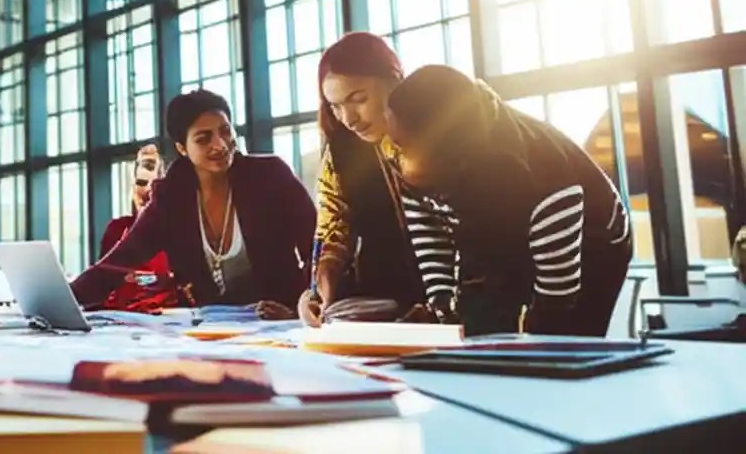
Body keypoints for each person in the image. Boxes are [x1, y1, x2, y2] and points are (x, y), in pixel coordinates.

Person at [385, 65, 633, 336]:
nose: (392, 155)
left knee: (562, 343)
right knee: (478, 324)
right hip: (499, 213)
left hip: (593, 242)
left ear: (442, 146)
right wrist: (443, 307)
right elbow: (431, 227)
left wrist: (535, 344)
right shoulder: (418, 165)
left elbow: (556, 297)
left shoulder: (543, 176)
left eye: (401, 146)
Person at [70, 90, 315, 318]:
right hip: (210, 332)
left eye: (225, 131)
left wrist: (302, 305)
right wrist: (66, 299)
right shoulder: (171, 199)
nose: (219, 144)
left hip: (284, 321)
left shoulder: (271, 176)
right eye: (203, 138)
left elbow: (318, 249)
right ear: (181, 148)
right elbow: (119, 262)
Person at [299, 32, 444, 326]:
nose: (349, 118)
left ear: (396, 80)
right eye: (335, 106)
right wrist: (318, 289)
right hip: (386, 307)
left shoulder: (442, 130)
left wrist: (442, 308)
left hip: (460, 298)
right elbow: (331, 231)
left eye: (358, 99)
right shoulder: (341, 153)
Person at [96, 145, 184, 312]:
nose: (147, 192)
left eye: (155, 184)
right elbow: (100, 284)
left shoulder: (181, 233)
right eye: (141, 183)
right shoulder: (116, 230)